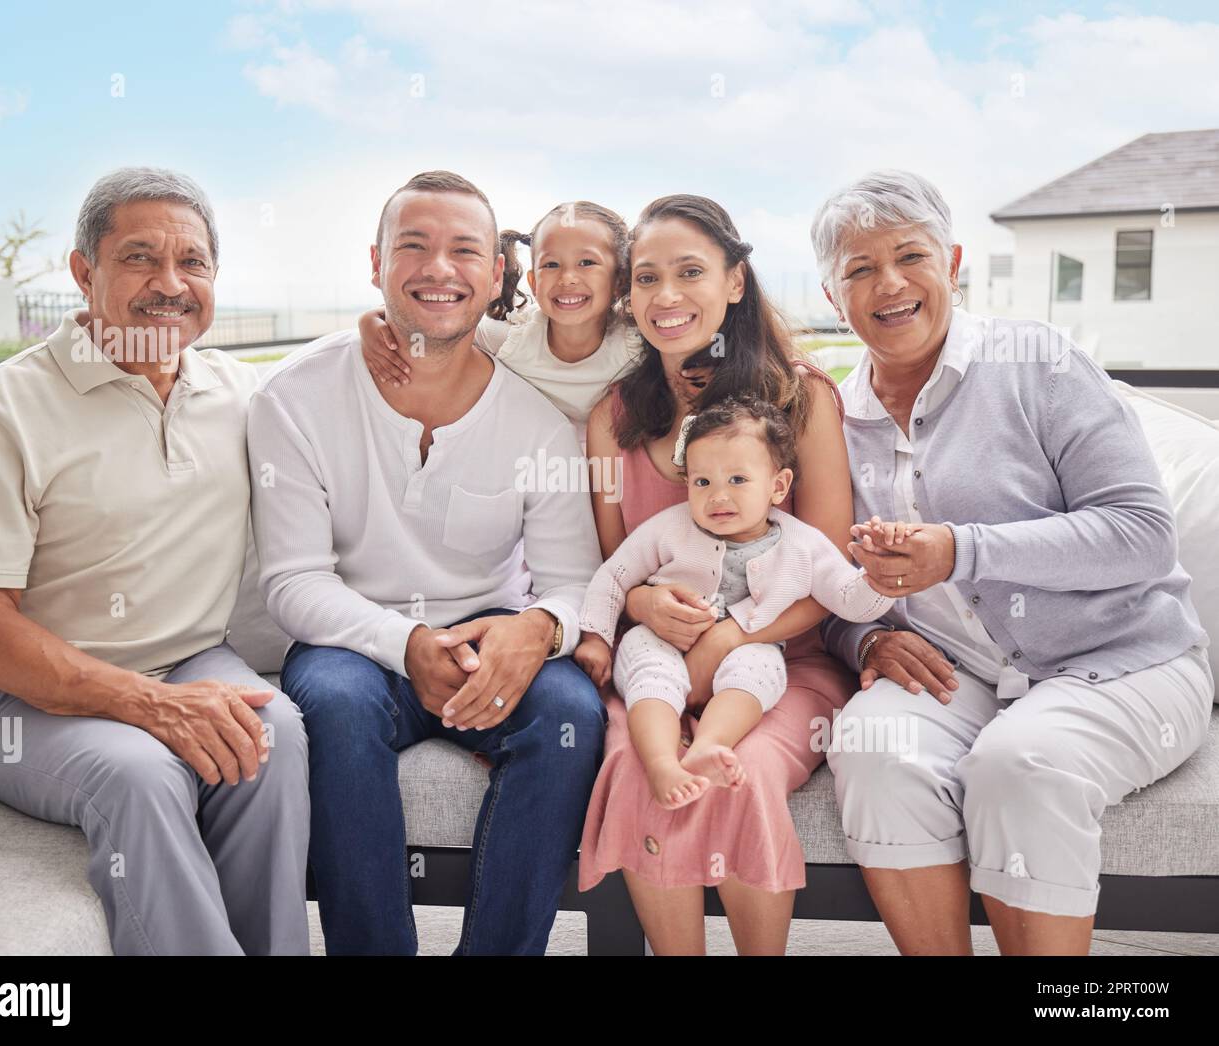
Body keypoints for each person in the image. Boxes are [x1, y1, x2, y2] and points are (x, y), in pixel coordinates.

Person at [813, 168, 1213, 955]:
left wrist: (961, 552)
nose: (889, 285)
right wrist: (862, 640)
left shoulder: (1039, 362)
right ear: (833, 297)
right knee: (873, 752)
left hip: (1122, 660)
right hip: (958, 673)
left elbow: (1141, 532)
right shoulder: (830, 417)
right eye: (859, 269)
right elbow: (816, 575)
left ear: (953, 263)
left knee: (1020, 762)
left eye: (910, 256)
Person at [0, 167, 310, 955]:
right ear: (83, 271)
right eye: (140, 258)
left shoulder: (245, 395)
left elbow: (365, 381)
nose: (170, 285)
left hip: (192, 658)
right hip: (10, 701)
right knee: (138, 773)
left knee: (275, 738)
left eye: (192, 263)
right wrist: (147, 704)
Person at [247, 170, 607, 955]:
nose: (438, 269)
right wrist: (403, 645)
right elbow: (293, 581)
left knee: (574, 715)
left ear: (497, 274)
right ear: (375, 263)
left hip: (493, 636)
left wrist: (540, 628)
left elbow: (573, 579)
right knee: (335, 711)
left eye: (463, 251)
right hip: (354, 642)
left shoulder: (539, 416)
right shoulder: (293, 399)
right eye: (413, 246)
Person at [576, 194, 858, 955]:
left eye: (690, 272)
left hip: (786, 661)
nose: (665, 297)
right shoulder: (612, 417)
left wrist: (731, 635)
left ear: (735, 281)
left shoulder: (801, 400)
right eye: (645, 279)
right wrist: (640, 601)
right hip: (653, 664)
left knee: (746, 774)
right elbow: (615, 567)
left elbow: (829, 575)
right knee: (641, 769)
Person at [576, 395, 891, 810]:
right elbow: (614, 575)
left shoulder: (803, 545)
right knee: (650, 672)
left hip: (746, 646)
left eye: (738, 481)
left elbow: (851, 600)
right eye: (703, 482)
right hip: (660, 638)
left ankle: (710, 744)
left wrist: (882, 576)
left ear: (778, 486)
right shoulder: (670, 529)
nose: (718, 497)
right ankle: (660, 763)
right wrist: (596, 637)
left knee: (758, 671)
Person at [358, 200, 649, 442]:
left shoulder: (636, 345)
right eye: (551, 265)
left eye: (587, 263)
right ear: (534, 283)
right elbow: (439, 324)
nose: (568, 278)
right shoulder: (512, 340)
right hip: (538, 476)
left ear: (620, 280)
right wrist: (372, 320)